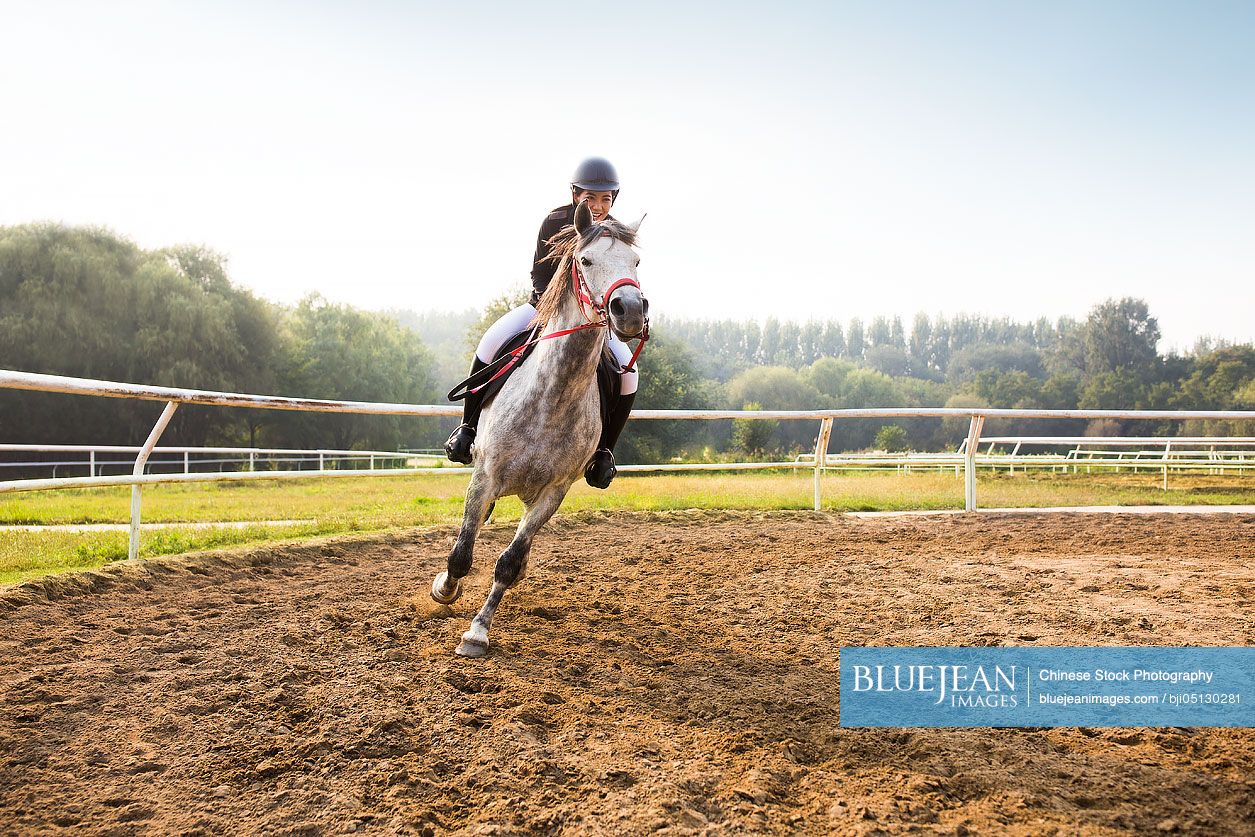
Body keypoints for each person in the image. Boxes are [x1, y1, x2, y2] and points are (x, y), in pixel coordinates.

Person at [444, 157, 638, 488]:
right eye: (590, 197)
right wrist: (551, 306)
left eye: (606, 198)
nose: (599, 205)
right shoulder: (555, 221)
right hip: (545, 306)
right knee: (491, 342)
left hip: (593, 319)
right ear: (576, 195)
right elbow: (538, 271)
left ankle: (604, 451)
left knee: (628, 372)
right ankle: (468, 427)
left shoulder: (615, 232)